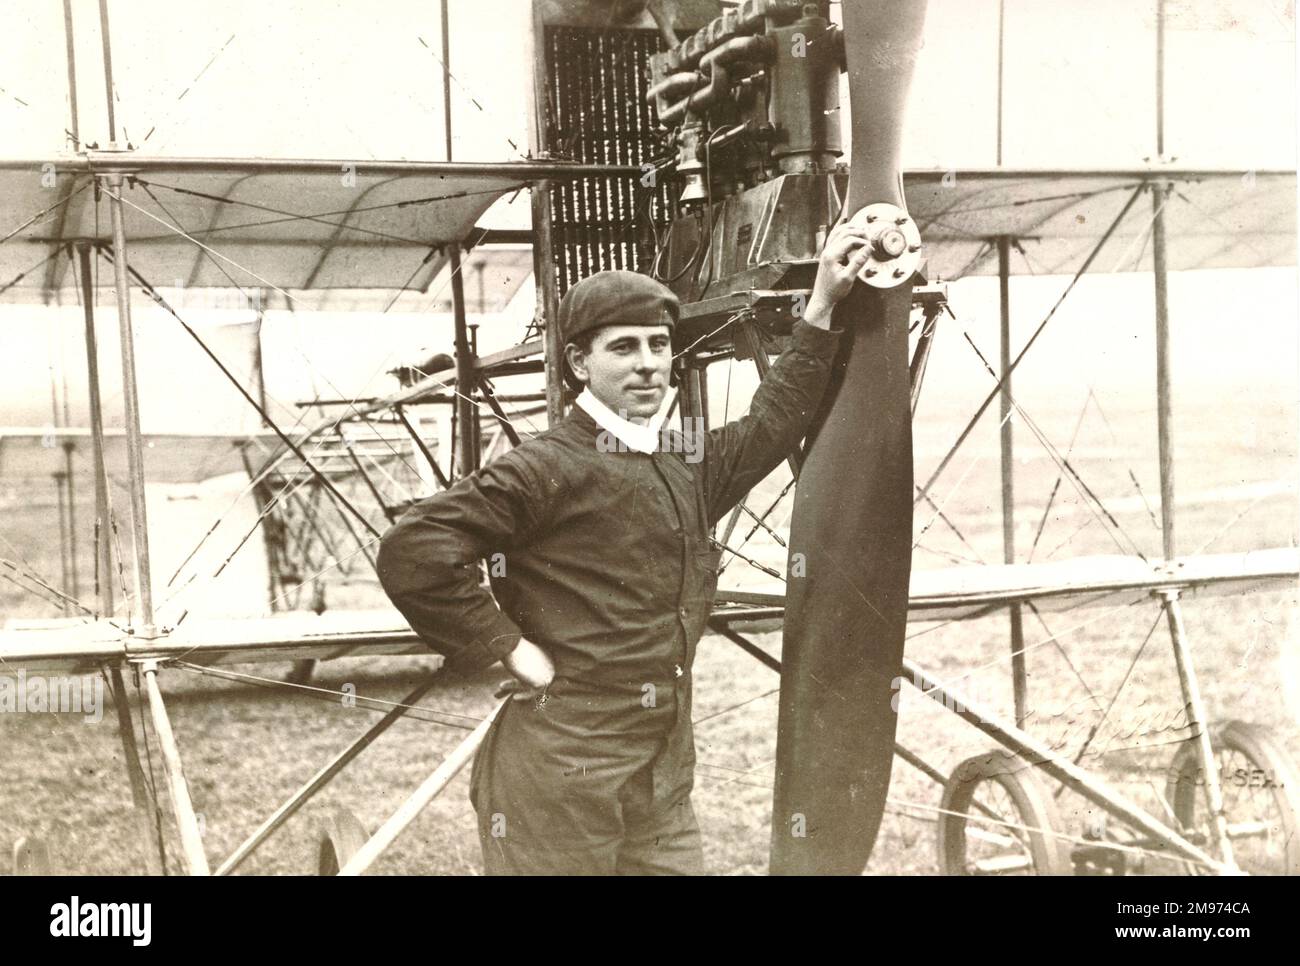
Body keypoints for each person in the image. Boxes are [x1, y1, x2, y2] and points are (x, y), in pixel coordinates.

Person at [376, 221, 873, 875]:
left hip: (661, 769)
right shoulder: (546, 466)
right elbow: (413, 548)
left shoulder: (684, 459)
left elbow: (772, 422)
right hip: (560, 773)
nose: (647, 362)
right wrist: (507, 648)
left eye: (659, 345)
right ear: (581, 364)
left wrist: (821, 306)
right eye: (624, 347)